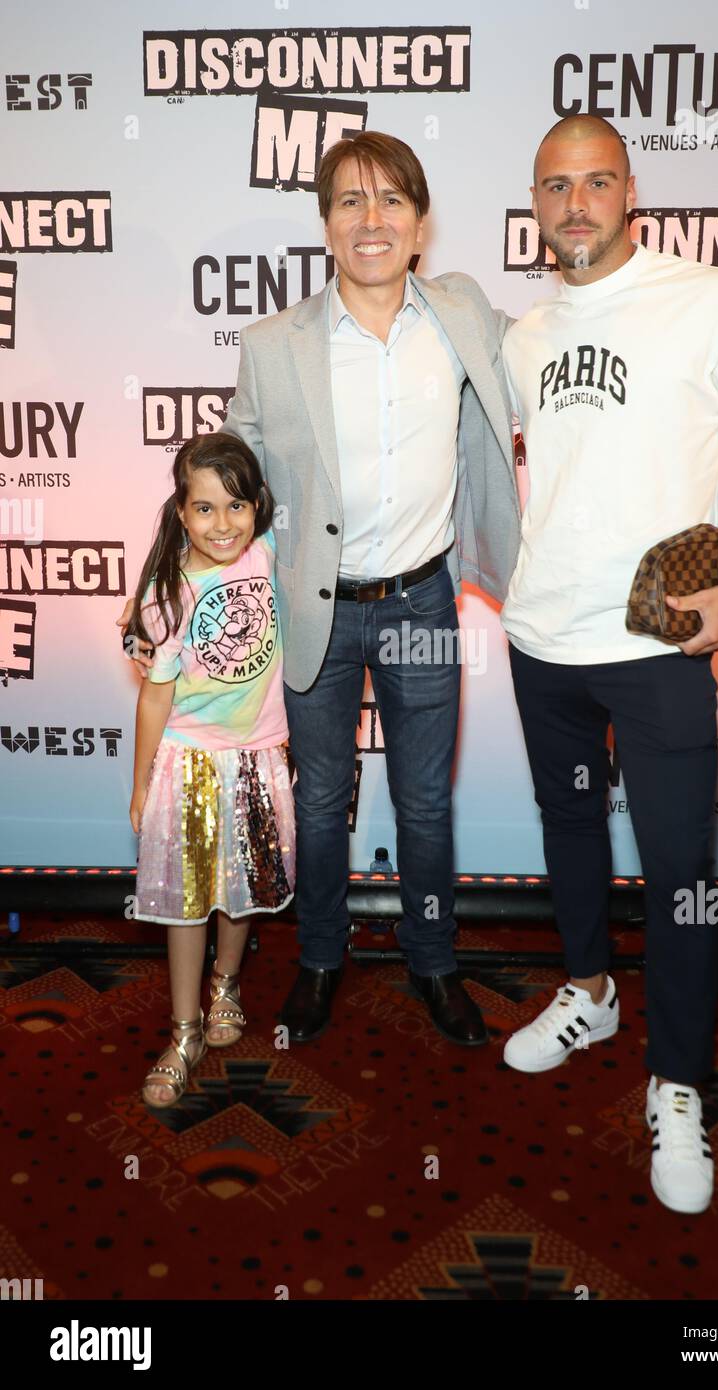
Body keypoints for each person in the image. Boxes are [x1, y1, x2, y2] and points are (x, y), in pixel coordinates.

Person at [500, 114, 718, 1213]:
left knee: (681, 876)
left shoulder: (707, 298)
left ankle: (676, 1081)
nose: (574, 203)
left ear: (628, 191)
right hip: (540, 641)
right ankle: (587, 991)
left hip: (654, 647)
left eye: (594, 182)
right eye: (554, 186)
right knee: (570, 832)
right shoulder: (523, 335)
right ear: (534, 204)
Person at [219, 131, 521, 1046]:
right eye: (349, 201)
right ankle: (318, 959)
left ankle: (434, 963)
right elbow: (237, 474)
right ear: (325, 226)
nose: (371, 219)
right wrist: (176, 580)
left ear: (422, 225)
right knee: (318, 800)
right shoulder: (274, 345)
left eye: (391, 200)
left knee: (426, 801)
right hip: (320, 608)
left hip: (426, 604)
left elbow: (559, 359)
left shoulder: (466, 312)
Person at [126, 433, 296, 1106]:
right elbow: (154, 696)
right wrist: (140, 784)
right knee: (188, 901)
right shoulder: (167, 595)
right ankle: (184, 1029)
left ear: (257, 508)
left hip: (259, 756)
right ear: (180, 512)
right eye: (204, 509)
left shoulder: (271, 553)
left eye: (235, 507)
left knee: (242, 884)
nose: (221, 525)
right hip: (189, 762)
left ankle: (226, 985)